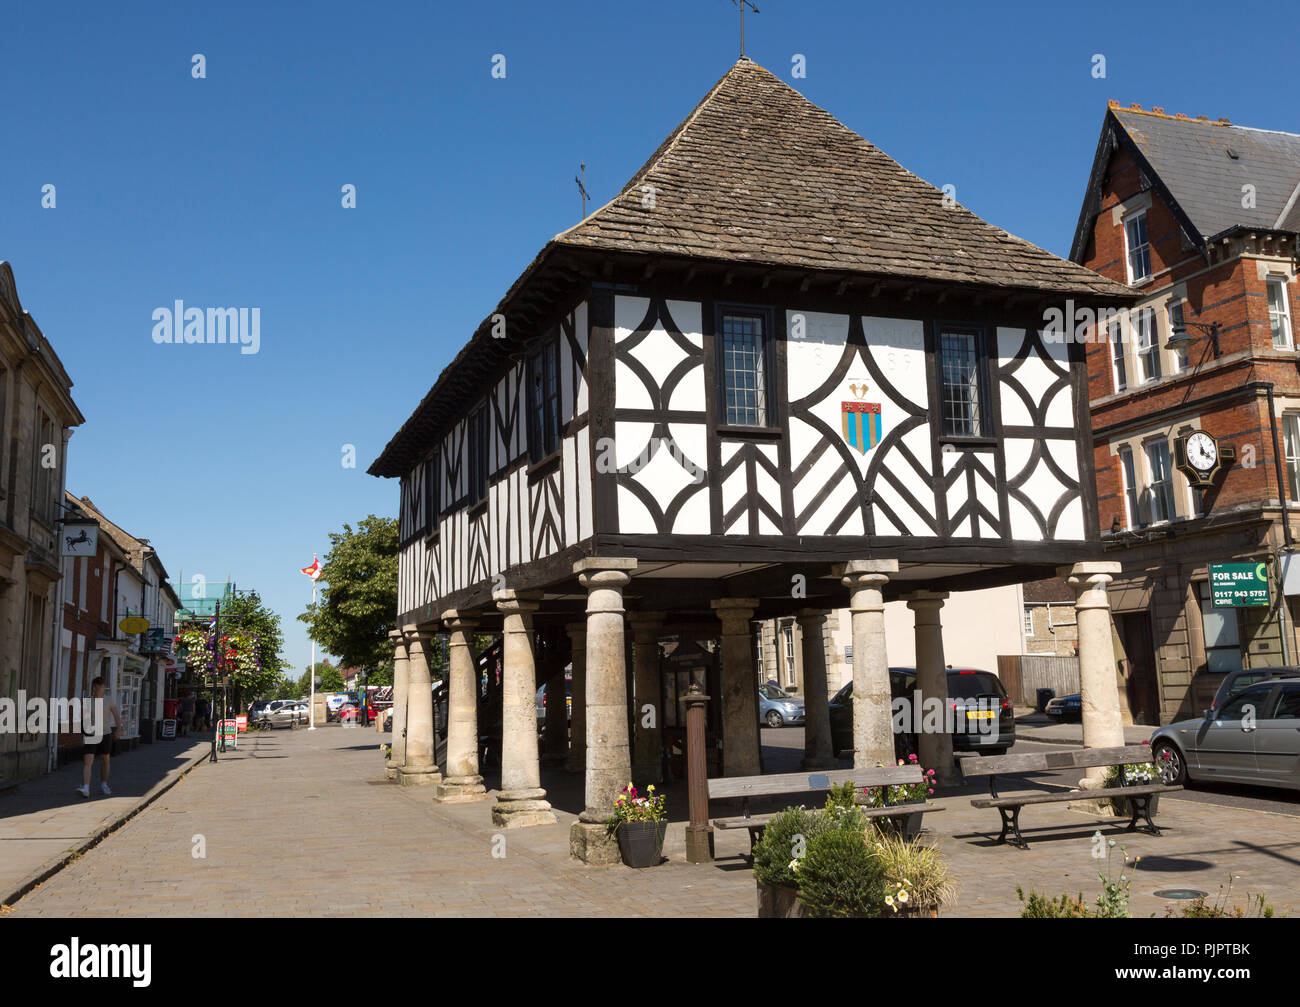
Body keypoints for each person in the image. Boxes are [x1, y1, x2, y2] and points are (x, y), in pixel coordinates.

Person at [77, 677, 120, 798]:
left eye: (99, 687)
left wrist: (119, 729)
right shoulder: (88, 701)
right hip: (91, 734)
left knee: (105, 760)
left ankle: (104, 784)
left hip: (105, 734)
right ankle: (86, 788)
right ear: (93, 687)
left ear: (103, 688)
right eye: (94, 687)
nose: (96, 690)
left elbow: (116, 715)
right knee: (88, 761)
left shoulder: (109, 700)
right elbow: (82, 717)